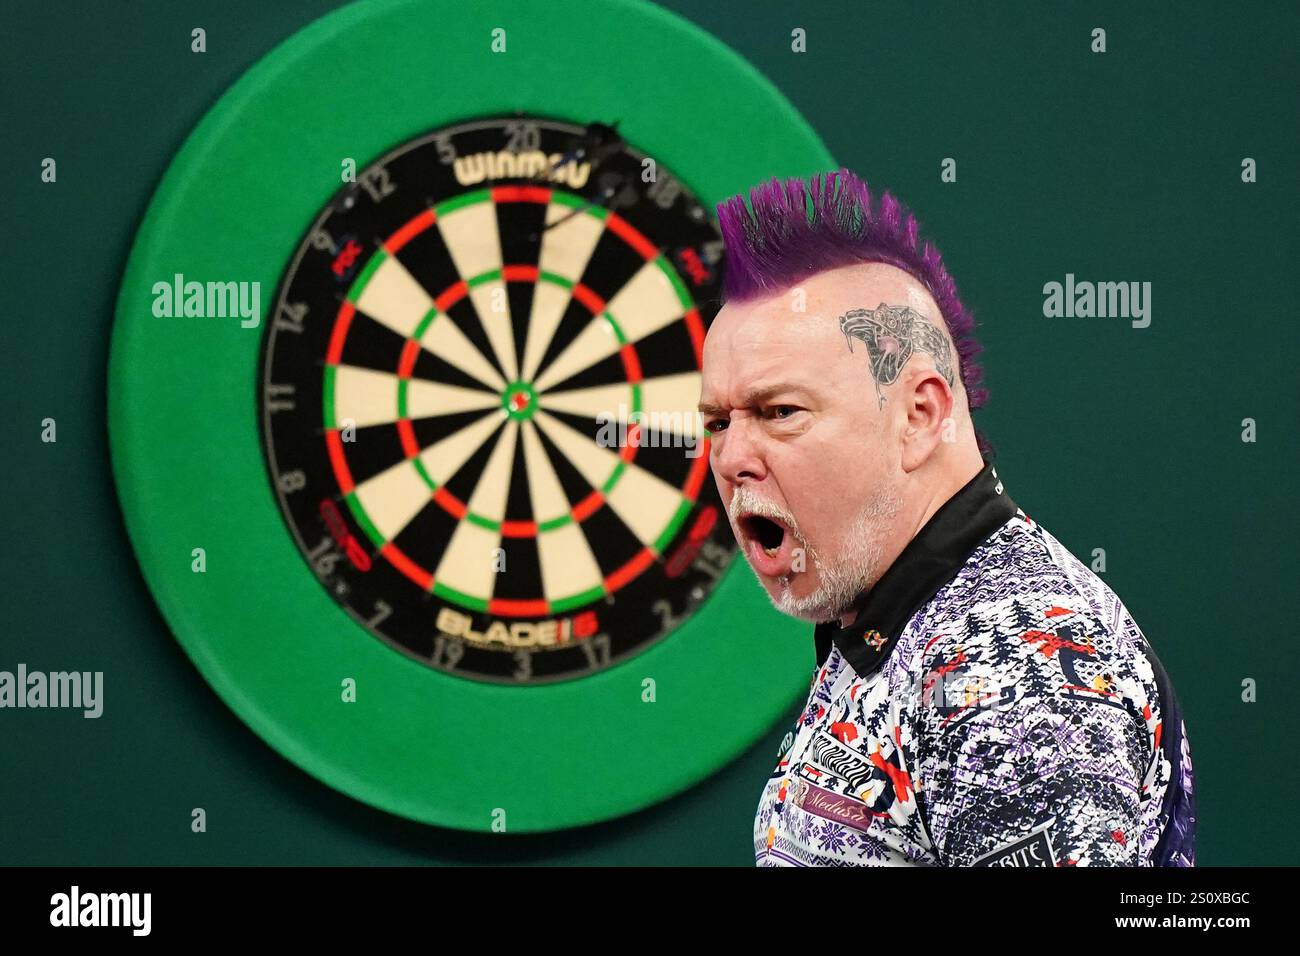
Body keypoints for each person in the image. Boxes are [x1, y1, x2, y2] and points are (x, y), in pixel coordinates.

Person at [699, 168, 1196, 866]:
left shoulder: (1018, 671)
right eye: (718, 421)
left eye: (779, 412)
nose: (731, 457)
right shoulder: (898, 620)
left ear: (920, 414)